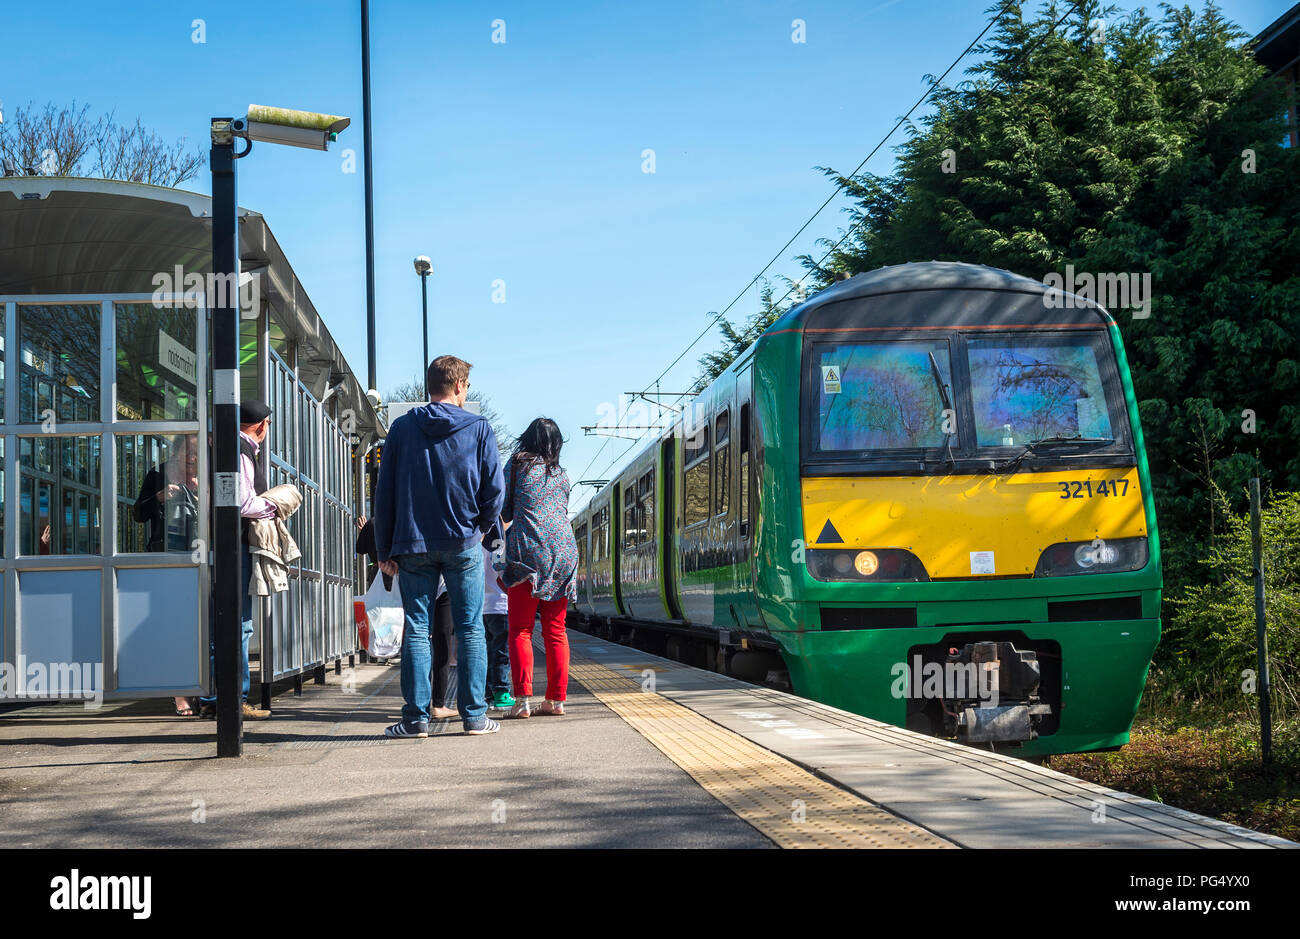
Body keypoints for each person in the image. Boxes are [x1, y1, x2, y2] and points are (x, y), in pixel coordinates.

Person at [374, 355, 504, 737]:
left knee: (417, 627)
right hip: (463, 542)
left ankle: (415, 720)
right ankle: (475, 718)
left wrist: (385, 550)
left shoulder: (400, 429)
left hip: (412, 544)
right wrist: (480, 527)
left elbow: (385, 495)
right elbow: (494, 490)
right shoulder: (479, 428)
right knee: (470, 628)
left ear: (428, 386)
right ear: (460, 386)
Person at [198, 400, 276, 721]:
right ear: (261, 426)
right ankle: (233, 698)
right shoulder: (241, 452)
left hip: (218, 546)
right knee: (239, 624)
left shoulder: (228, 449)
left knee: (223, 624)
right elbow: (243, 504)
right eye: (268, 426)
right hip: (233, 548)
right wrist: (274, 505)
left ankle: (216, 696)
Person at [500, 418, 579, 718]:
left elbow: (504, 509)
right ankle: (556, 701)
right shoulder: (562, 475)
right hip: (563, 553)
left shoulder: (518, 465)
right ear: (556, 444)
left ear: (527, 439)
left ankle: (522, 703)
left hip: (527, 553)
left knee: (520, 629)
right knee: (556, 630)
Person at [133, 435, 199, 716]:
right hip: (168, 558)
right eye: (189, 453)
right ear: (176, 452)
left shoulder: (210, 474)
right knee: (176, 627)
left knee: (201, 627)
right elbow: (137, 514)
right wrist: (158, 498)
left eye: (198, 454)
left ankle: (204, 688)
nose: (193, 460)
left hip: (204, 557)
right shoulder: (159, 474)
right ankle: (180, 693)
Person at [482, 520, 514, 710]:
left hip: (481, 607)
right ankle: (501, 693)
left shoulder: (474, 541)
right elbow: (502, 574)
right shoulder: (498, 544)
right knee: (501, 652)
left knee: (485, 652)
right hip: (499, 605)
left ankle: (487, 693)